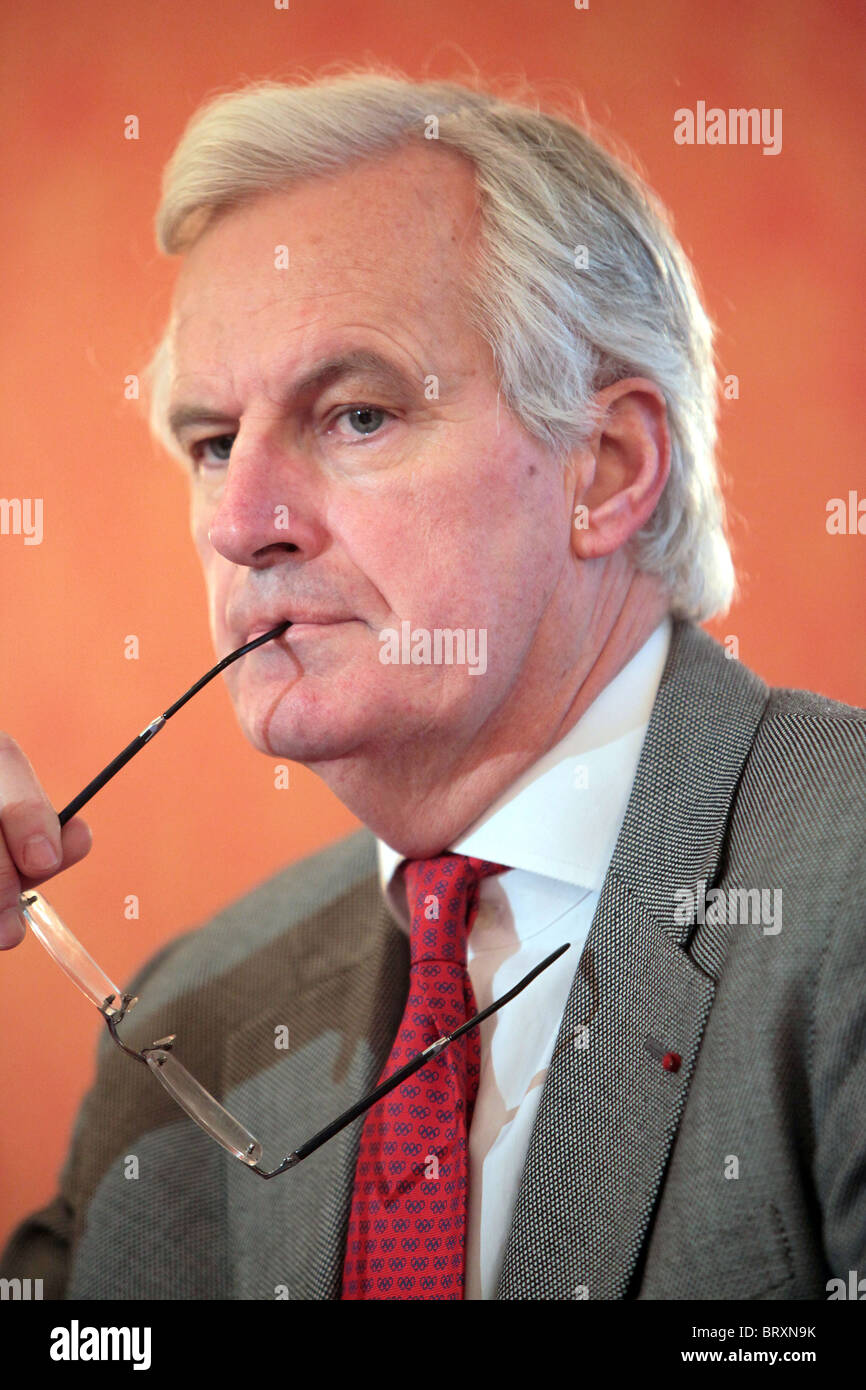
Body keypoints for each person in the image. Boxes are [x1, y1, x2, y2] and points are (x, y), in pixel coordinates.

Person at [1, 70, 863, 1301]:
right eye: (210, 443)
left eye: (354, 414)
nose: (242, 522)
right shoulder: (187, 1019)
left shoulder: (841, 885)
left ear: (606, 468)